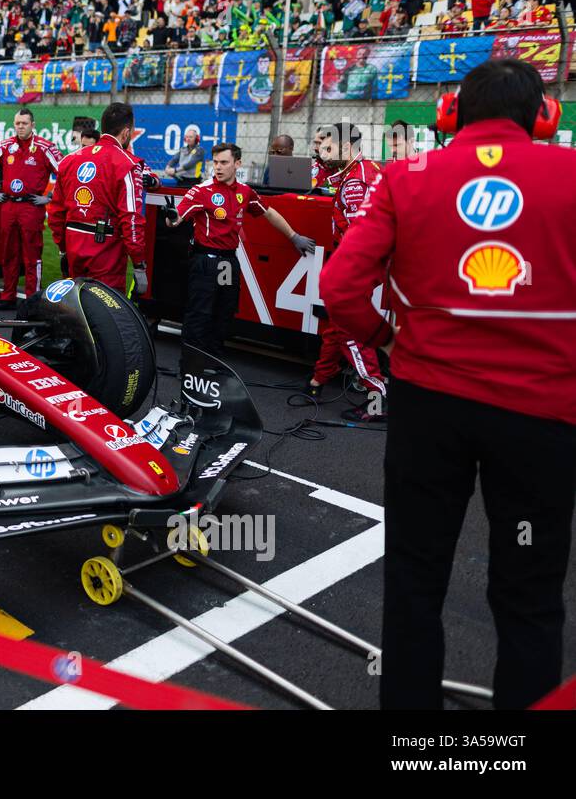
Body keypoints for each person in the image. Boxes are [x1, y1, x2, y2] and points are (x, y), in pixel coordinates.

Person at [319, 59, 576, 710]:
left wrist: (383, 340)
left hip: (429, 409)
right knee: (530, 596)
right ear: (544, 116)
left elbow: (341, 286)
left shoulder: (406, 178)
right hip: (541, 419)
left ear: (451, 114)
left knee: (415, 577)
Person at [169, 143, 315, 358]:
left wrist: (294, 237)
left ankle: (214, 362)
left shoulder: (245, 192)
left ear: (237, 164)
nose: (218, 167)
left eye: (224, 163)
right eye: (215, 163)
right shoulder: (201, 191)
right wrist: (171, 216)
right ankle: (192, 366)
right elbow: (176, 218)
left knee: (224, 312)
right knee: (200, 314)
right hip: (206, 261)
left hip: (227, 263)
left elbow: (269, 213)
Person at [308, 122, 387, 413]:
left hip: (359, 263)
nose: (325, 154)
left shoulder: (356, 181)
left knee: (349, 330)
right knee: (335, 324)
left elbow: (360, 235)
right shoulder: (362, 170)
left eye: (329, 148)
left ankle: (376, 394)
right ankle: (319, 378)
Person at [48, 101, 148, 295]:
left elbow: (56, 212)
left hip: (73, 245)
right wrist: (138, 264)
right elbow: (132, 219)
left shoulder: (70, 160)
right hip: (106, 251)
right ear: (127, 133)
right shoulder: (127, 164)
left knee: (76, 307)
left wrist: (63, 248)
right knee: (106, 312)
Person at [0, 107, 62, 307]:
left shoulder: (46, 147)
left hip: (31, 207)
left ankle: (32, 300)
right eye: (17, 123)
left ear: (33, 125)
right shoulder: (5, 146)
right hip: (9, 206)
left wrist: (49, 197)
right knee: (8, 254)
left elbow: (64, 173)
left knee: (32, 255)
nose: (20, 127)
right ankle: (7, 296)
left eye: (24, 123)